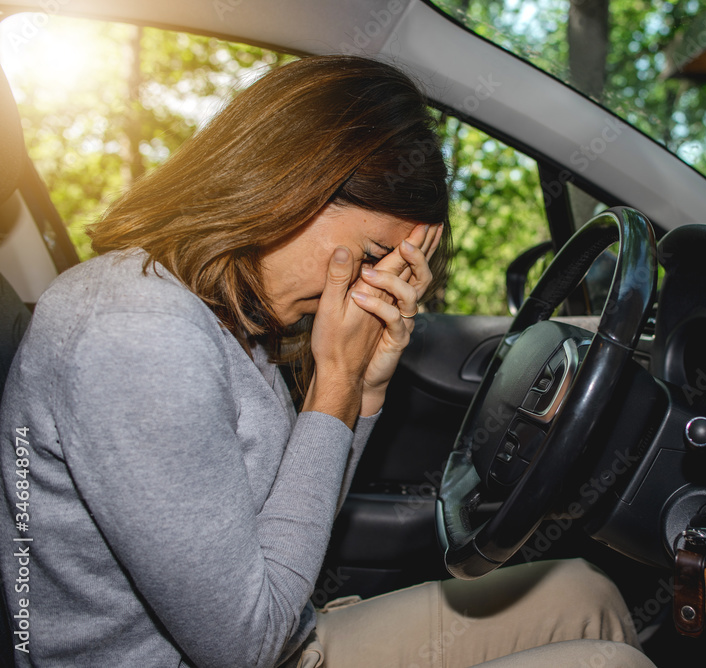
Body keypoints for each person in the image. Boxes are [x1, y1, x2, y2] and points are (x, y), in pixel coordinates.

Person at [0, 56, 655, 668]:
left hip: (281, 637)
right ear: (290, 185)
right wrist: (333, 385)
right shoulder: (133, 337)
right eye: (373, 256)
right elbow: (245, 645)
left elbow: (287, 532)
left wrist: (362, 394)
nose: (374, 288)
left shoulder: (226, 312)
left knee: (583, 592)